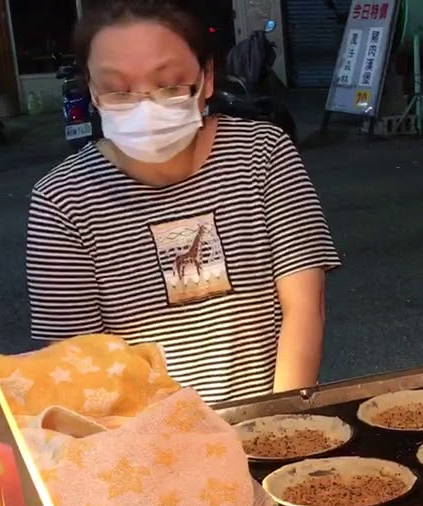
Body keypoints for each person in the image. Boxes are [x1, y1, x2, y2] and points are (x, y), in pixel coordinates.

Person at [26, 0, 339, 406]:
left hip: (265, 424)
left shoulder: (263, 154)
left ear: (206, 78)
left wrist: (280, 422)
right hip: (142, 438)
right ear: (92, 90)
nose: (146, 108)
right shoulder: (61, 200)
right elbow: (78, 364)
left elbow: (304, 309)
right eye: (118, 90)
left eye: (171, 85)